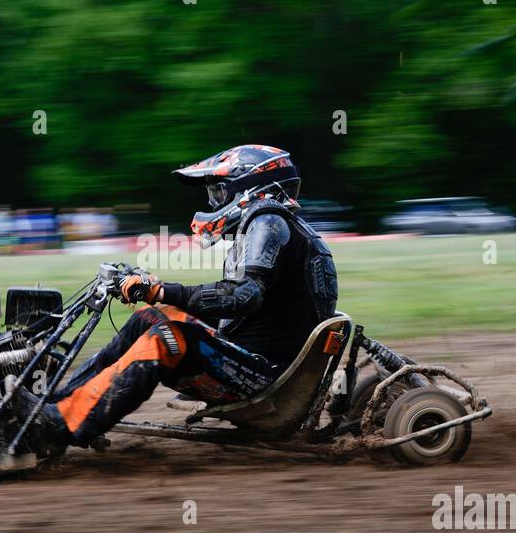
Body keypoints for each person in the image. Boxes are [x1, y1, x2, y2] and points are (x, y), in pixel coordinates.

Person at [25, 145, 339, 449]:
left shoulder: (268, 221)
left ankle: (63, 424)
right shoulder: (278, 225)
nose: (216, 200)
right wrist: (160, 297)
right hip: (260, 362)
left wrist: (162, 290)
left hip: (266, 376)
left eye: (220, 190)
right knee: (149, 318)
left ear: (252, 189)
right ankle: (56, 403)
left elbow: (243, 296)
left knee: (166, 338)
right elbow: (245, 310)